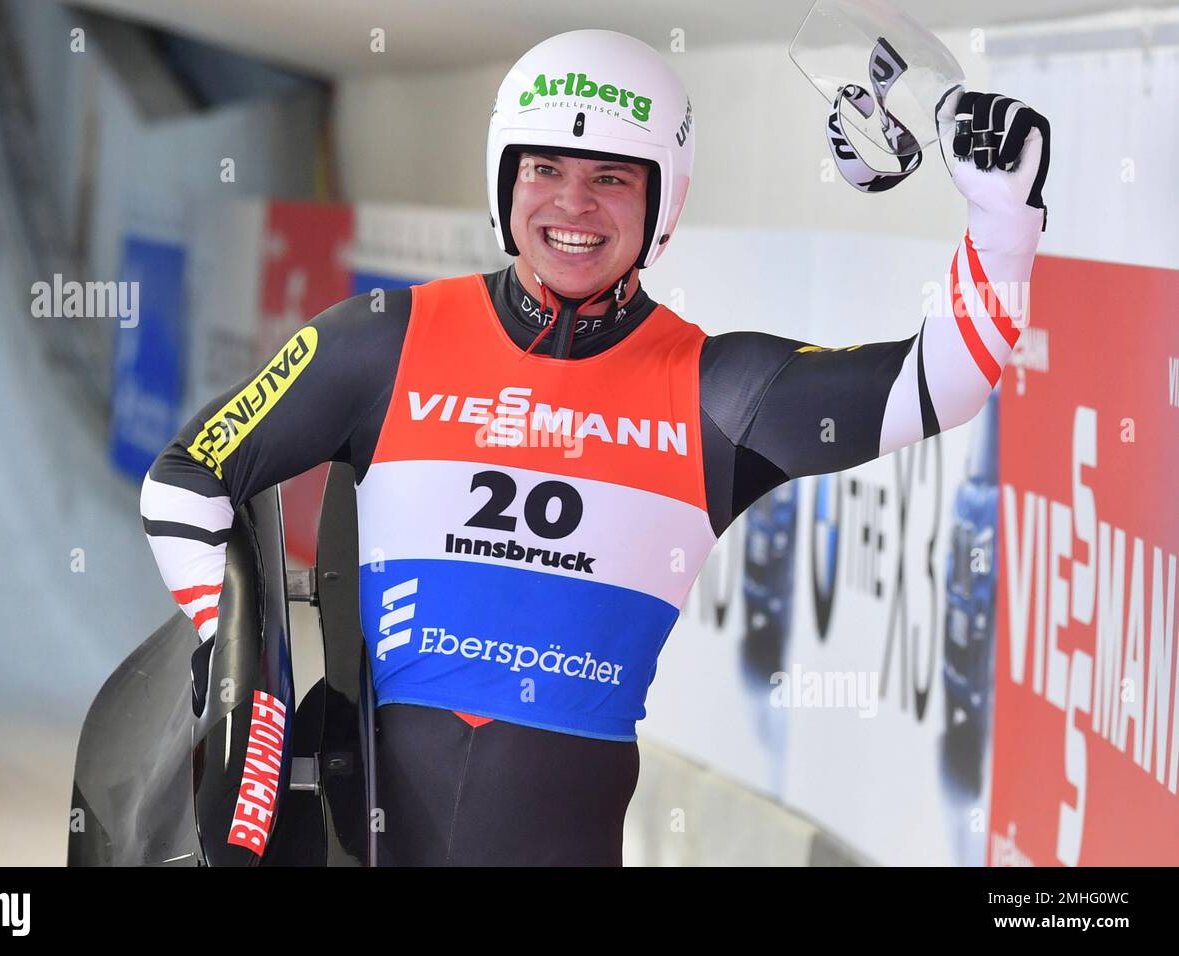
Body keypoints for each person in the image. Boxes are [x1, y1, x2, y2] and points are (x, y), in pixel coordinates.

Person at [139, 29, 1050, 865]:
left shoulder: (716, 391)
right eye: (545, 168)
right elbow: (186, 481)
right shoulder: (382, 337)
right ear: (505, 183)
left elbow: (935, 385)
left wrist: (1003, 230)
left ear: (663, 200)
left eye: (613, 177)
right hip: (353, 819)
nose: (573, 205)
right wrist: (242, 665)